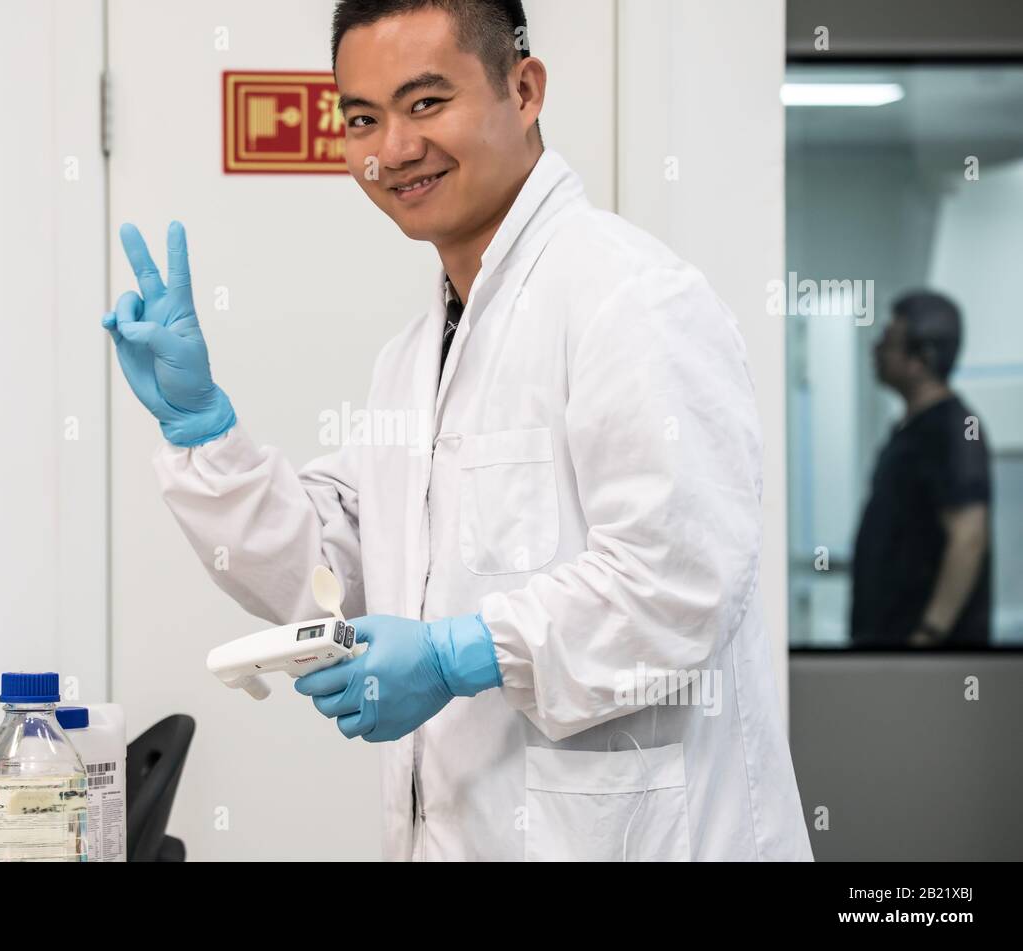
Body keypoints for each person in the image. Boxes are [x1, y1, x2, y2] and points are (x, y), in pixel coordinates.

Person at [103, 0, 812, 861]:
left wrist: (455, 654)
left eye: (426, 102)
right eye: (362, 117)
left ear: (524, 89)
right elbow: (335, 569)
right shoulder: (415, 355)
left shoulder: (632, 300)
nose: (393, 148)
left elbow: (677, 583)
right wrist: (202, 427)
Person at [851, 291, 992, 648]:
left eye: (888, 341)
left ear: (921, 358)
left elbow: (968, 537)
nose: (876, 349)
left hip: (928, 656)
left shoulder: (955, 429)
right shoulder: (912, 430)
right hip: (889, 645)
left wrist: (929, 633)